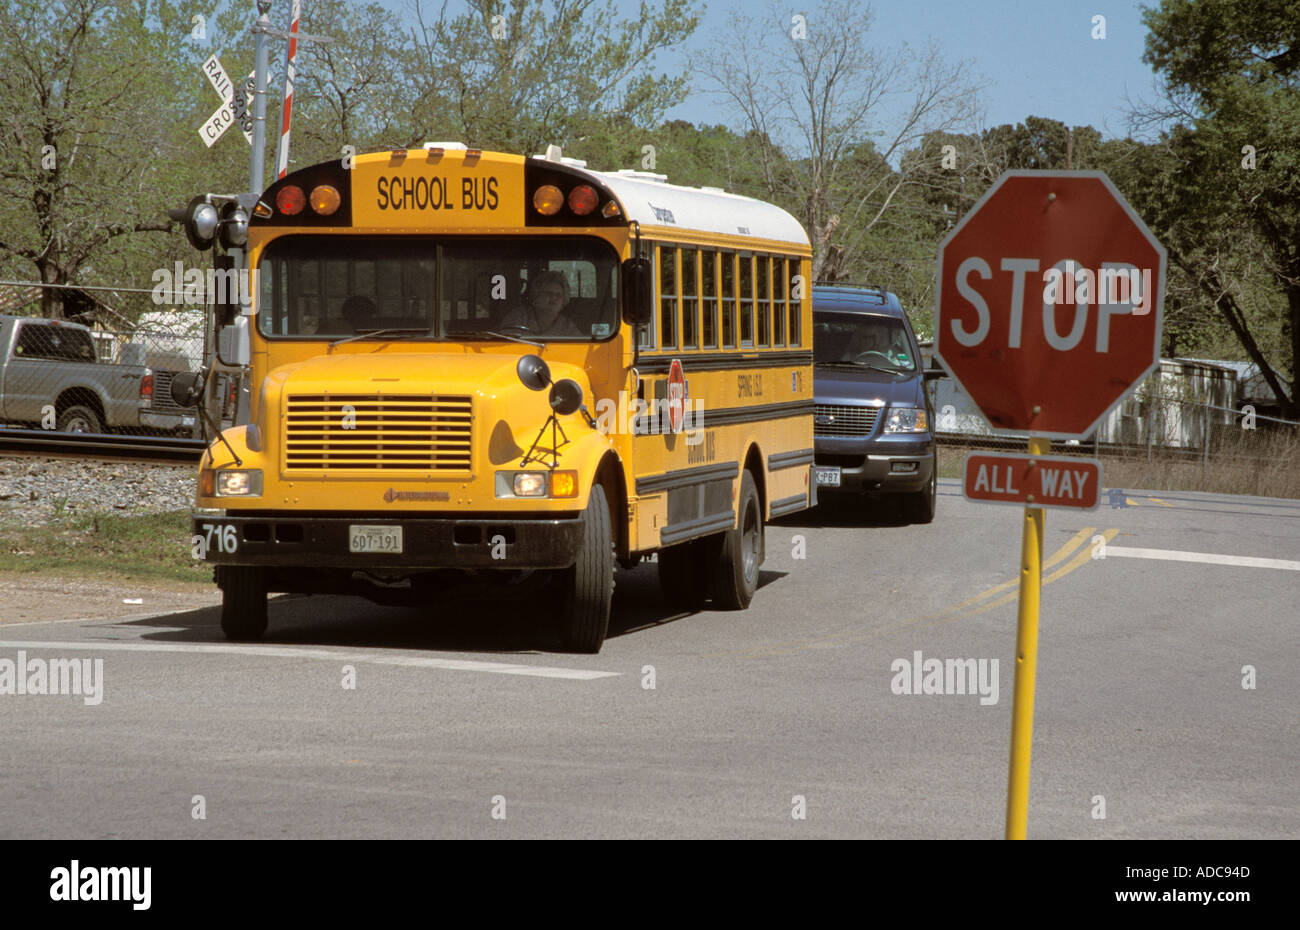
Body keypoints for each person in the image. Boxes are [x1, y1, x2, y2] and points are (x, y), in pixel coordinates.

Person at [499, 270, 583, 337]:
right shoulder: (518, 316)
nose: (554, 298)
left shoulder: (567, 326)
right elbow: (505, 342)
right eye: (548, 293)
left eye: (558, 295)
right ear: (536, 296)